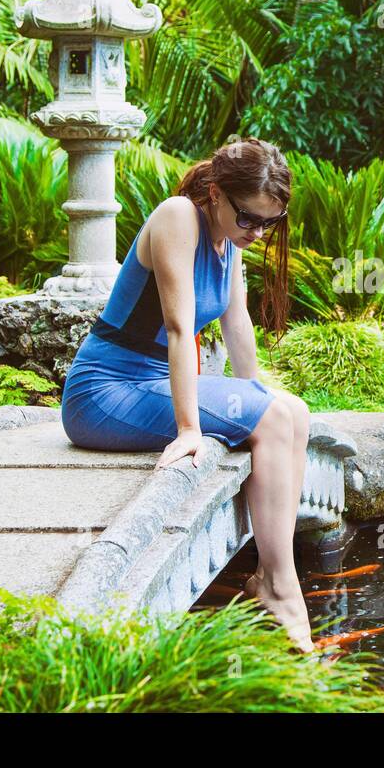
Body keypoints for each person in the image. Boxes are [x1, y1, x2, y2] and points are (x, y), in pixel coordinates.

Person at [60, 137, 315, 650]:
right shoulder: (179, 217)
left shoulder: (229, 240)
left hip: (153, 383)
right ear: (217, 194)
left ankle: (270, 575)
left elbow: (237, 321)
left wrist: (260, 392)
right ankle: (283, 589)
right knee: (271, 417)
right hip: (106, 390)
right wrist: (189, 430)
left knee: (294, 412)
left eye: (269, 224)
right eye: (249, 219)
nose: (258, 233)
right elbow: (180, 330)